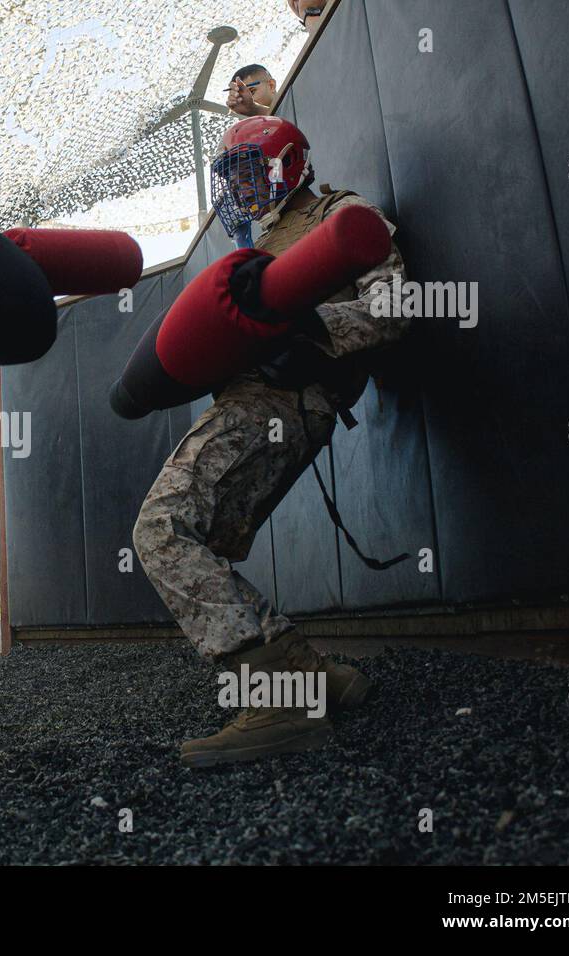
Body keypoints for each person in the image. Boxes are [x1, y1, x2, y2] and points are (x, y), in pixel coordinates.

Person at [132, 115, 408, 767]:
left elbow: (396, 309)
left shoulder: (343, 215)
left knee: (161, 529)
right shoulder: (260, 246)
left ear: (288, 164)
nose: (239, 189)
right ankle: (314, 677)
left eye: (250, 172)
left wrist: (311, 327)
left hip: (291, 399)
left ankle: (285, 699)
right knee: (199, 537)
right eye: (230, 176)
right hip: (253, 401)